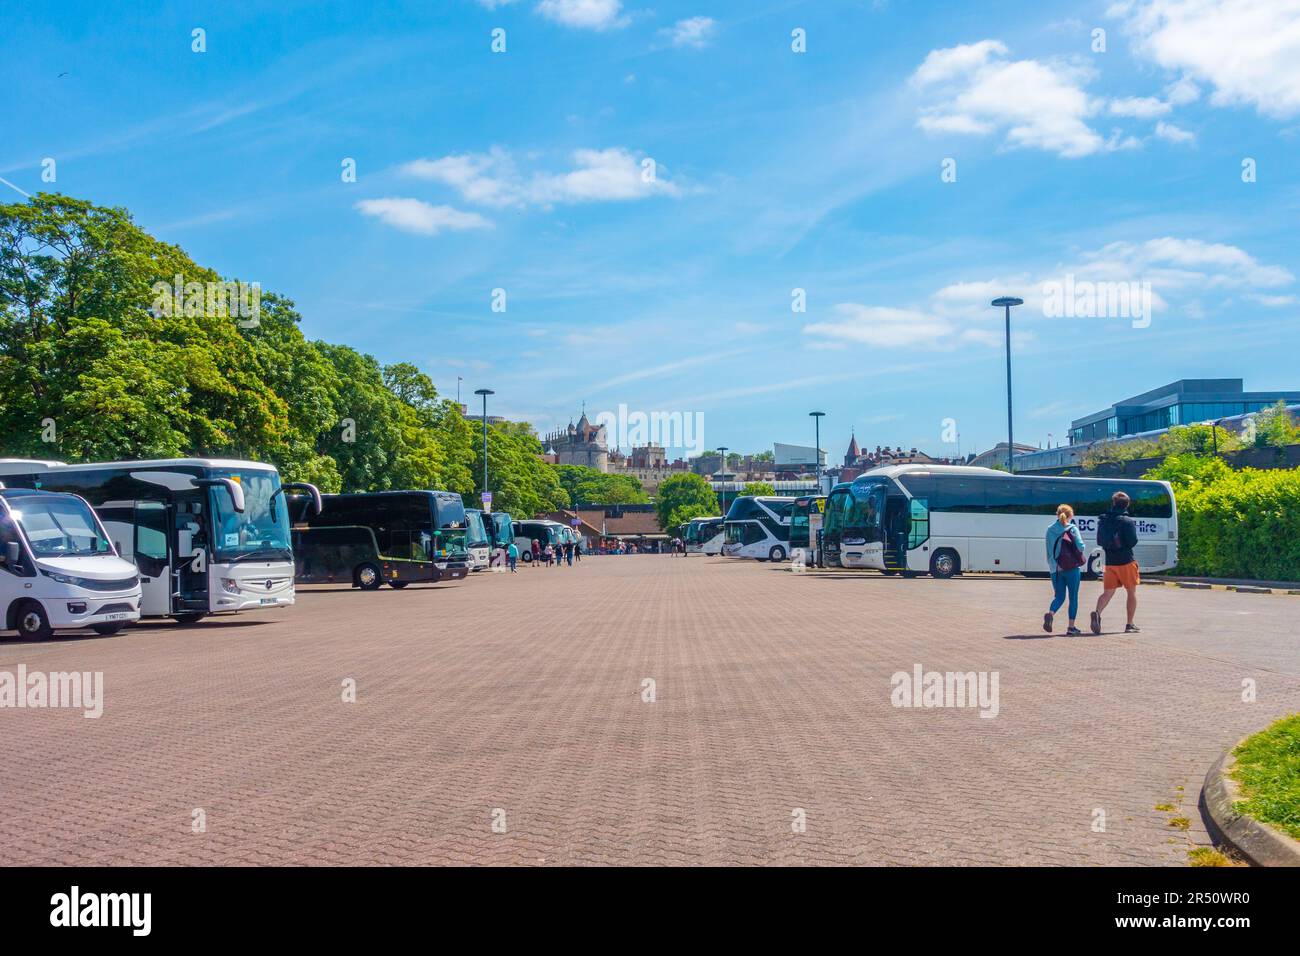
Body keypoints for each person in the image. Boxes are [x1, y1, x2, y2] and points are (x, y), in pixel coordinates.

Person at [1092, 490, 1141, 635]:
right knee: (1131, 592)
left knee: (1107, 593)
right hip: (1126, 561)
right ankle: (1129, 624)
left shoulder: (1103, 520)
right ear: (1127, 505)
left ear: (1113, 503)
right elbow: (1133, 541)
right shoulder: (1127, 521)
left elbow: (1099, 541)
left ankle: (1097, 613)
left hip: (1109, 562)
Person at [1044, 504, 1086, 635]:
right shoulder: (1072, 529)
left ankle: (1051, 613)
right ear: (1070, 515)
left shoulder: (1049, 530)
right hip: (1071, 568)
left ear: (1057, 514)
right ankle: (1071, 627)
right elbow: (1080, 547)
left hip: (1055, 568)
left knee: (1059, 596)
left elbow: (1049, 551)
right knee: (1073, 597)